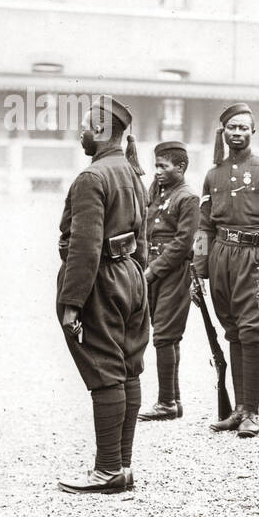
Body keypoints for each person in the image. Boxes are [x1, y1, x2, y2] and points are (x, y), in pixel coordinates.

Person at [55, 97, 150, 494]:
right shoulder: (131, 172)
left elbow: (84, 247)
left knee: (106, 371)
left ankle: (108, 470)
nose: (81, 133)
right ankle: (122, 466)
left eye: (86, 126)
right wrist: (135, 278)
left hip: (101, 280)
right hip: (130, 277)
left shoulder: (92, 178)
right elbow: (143, 240)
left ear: (101, 131)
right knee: (128, 367)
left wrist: (71, 303)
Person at [192, 103, 259, 438]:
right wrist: (199, 267)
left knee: (252, 328)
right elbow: (203, 226)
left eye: (244, 128)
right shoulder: (213, 174)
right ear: (223, 132)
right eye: (232, 128)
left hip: (254, 255)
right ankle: (238, 409)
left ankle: (252, 412)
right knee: (231, 328)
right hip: (221, 254)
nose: (238, 133)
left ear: (253, 131)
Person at [138, 141, 199, 421]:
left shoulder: (187, 197)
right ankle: (173, 401)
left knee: (164, 335)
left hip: (173, 272)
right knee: (166, 336)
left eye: (164, 166)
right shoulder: (158, 191)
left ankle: (166, 402)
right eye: (156, 166)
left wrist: (153, 271)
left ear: (181, 167)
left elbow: (183, 243)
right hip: (154, 268)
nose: (158, 171)